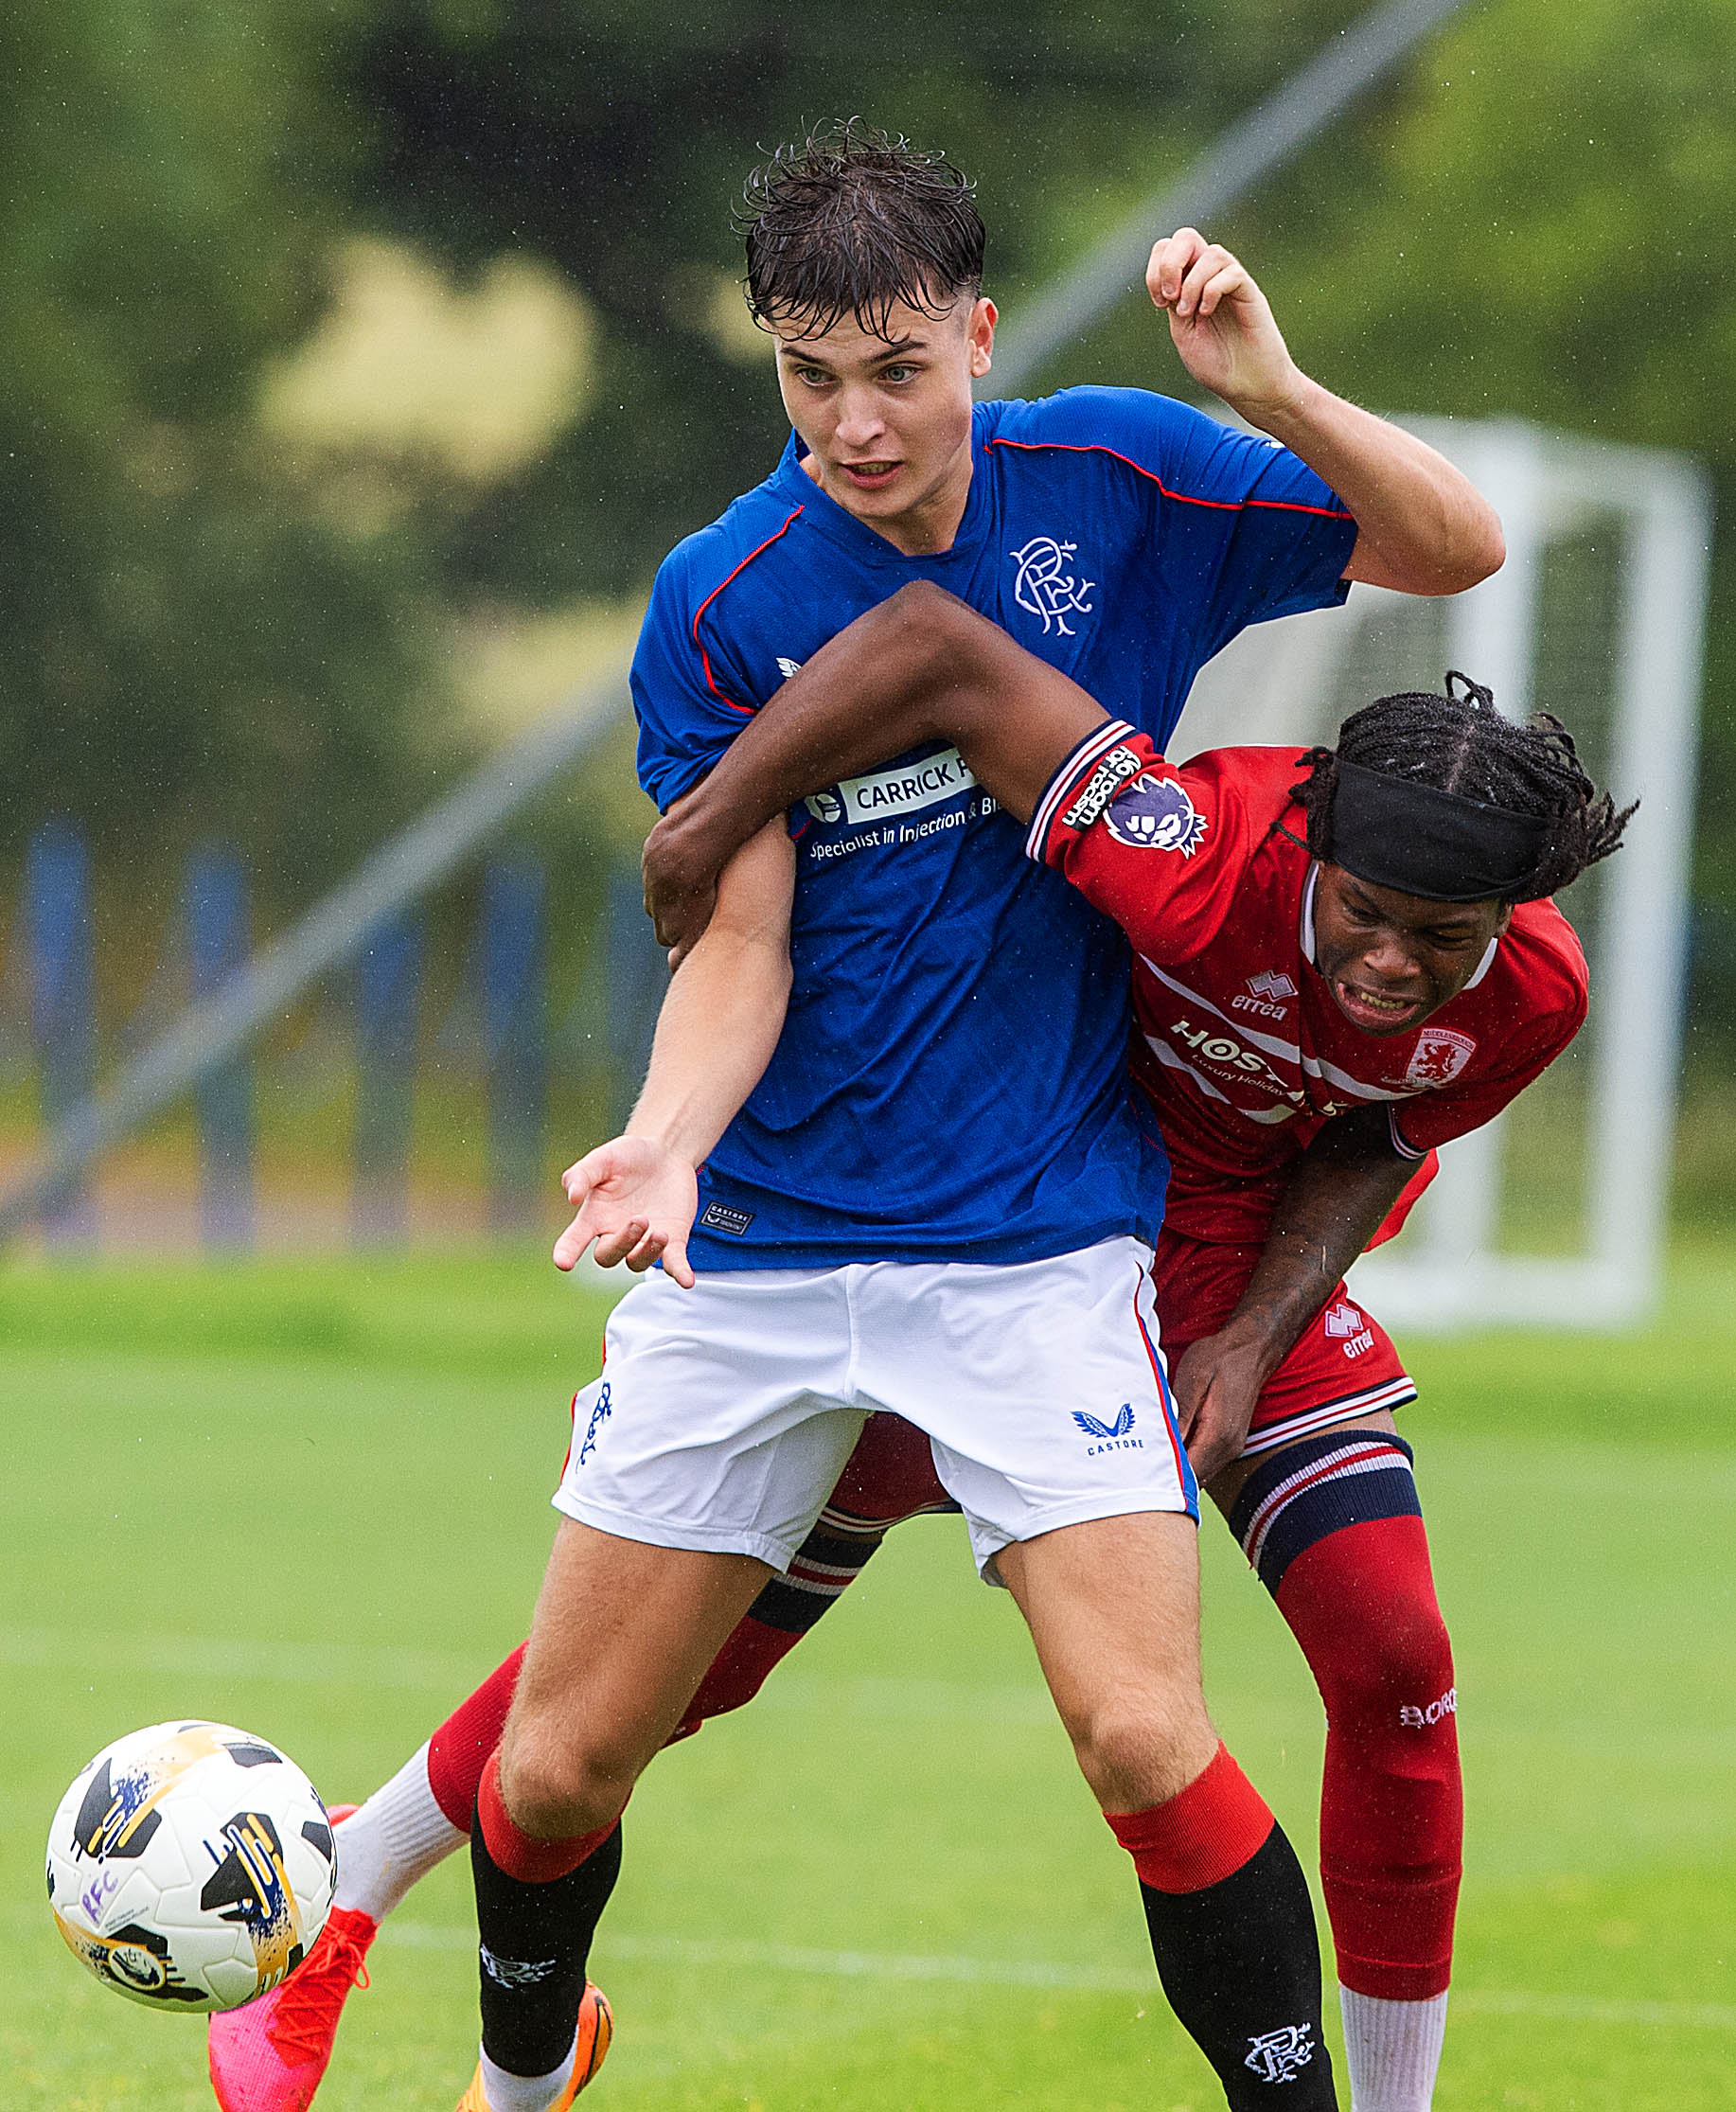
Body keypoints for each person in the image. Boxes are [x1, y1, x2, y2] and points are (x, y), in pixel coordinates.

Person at [211, 120, 1501, 2112]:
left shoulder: (1117, 481)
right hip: (766, 1251)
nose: (856, 422)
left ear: (977, 335)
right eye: (810, 377)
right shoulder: (722, 596)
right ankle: (522, 2080)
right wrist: (663, 1140)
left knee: (1146, 1746)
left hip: (1039, 1242)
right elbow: (733, 938)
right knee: (557, 1773)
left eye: (897, 370)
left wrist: (1263, 385)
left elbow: (1447, 544)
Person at [206, 624, 1622, 2112]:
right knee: (667, 1680)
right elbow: (959, 683)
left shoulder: (1527, 995)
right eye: (1369, 914)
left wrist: (1247, 1339)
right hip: (1032, 1252)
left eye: (1443, 937)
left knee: (1392, 1659)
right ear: (1312, 839)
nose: (1395, 963)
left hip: (1238, 1282)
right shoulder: (1189, 843)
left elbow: (1371, 1138)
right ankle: (353, 1883)